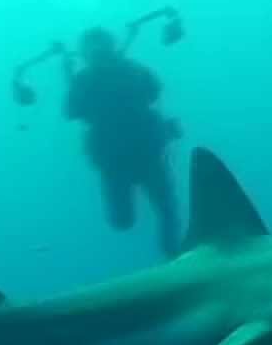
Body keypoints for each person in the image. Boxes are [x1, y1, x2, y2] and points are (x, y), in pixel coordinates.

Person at [57, 26, 184, 257]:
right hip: (115, 161)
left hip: (145, 154)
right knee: (124, 221)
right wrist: (70, 79)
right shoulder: (88, 79)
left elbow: (72, 112)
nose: (98, 50)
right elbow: (155, 93)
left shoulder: (129, 71)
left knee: (167, 211)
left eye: (101, 44)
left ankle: (175, 260)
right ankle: (174, 257)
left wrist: (70, 78)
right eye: (93, 47)